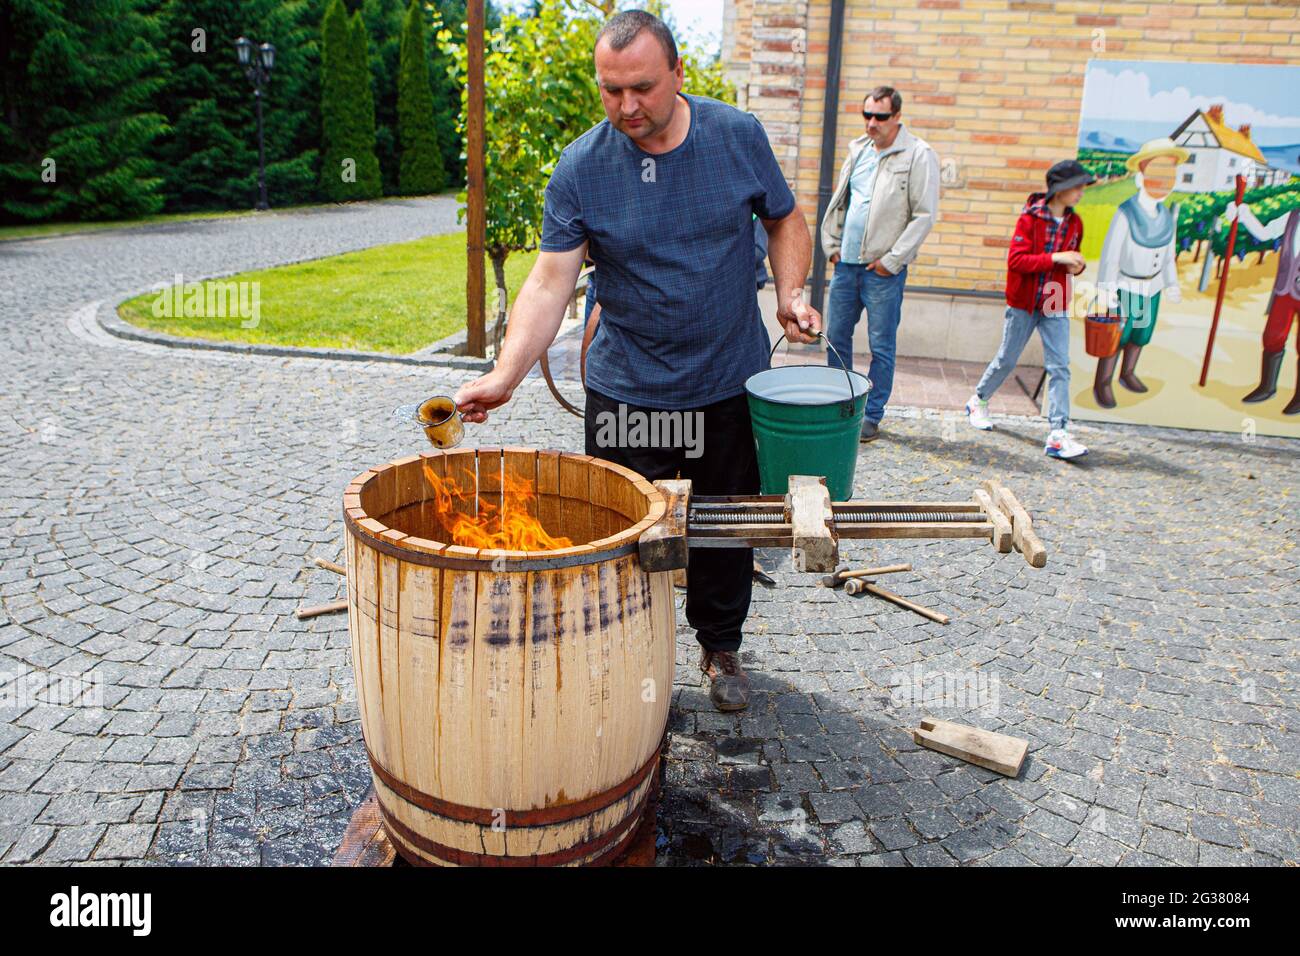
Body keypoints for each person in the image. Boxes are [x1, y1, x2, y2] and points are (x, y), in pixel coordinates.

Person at [453, 11, 822, 712]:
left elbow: (783, 217)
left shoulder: (736, 137)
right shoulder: (582, 167)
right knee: (623, 533)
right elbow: (549, 279)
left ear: (679, 75)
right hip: (630, 393)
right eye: (611, 91)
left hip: (724, 383)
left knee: (724, 525)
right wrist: (505, 375)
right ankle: (624, 661)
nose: (627, 107)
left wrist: (791, 290)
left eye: (643, 88)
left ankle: (720, 647)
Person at [819, 85, 940, 442]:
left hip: (882, 272)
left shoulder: (918, 154)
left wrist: (892, 260)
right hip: (846, 266)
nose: (872, 123)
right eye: (867, 115)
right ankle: (839, 404)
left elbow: (924, 215)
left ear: (897, 116)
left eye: (880, 116)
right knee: (835, 338)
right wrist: (832, 246)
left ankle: (871, 415)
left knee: (880, 346)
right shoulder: (858, 150)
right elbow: (841, 202)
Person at [965, 160, 1095, 459]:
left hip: (1055, 300)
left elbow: (1072, 260)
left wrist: (1077, 264)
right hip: (1024, 301)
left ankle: (1058, 433)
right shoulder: (1029, 219)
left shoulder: (1076, 223)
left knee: (1060, 366)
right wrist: (1057, 258)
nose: (1080, 193)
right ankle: (978, 400)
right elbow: (1017, 261)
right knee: (1007, 359)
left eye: (1082, 187)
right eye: (1076, 186)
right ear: (1059, 189)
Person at [1092, 137, 1187, 407]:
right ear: (1143, 172)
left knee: (1141, 334)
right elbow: (1111, 256)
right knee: (1117, 336)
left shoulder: (1168, 216)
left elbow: (1169, 255)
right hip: (1126, 287)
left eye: (1169, 173)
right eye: (1158, 171)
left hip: (1151, 288)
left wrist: (1172, 284)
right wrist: (1107, 291)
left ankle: (1128, 373)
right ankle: (1103, 381)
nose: (1164, 180)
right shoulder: (1126, 213)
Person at [1221, 202, 1300, 414]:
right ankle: (1267, 387)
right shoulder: (1292, 216)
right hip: (1285, 289)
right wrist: (1244, 214)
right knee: (1273, 336)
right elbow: (1265, 234)